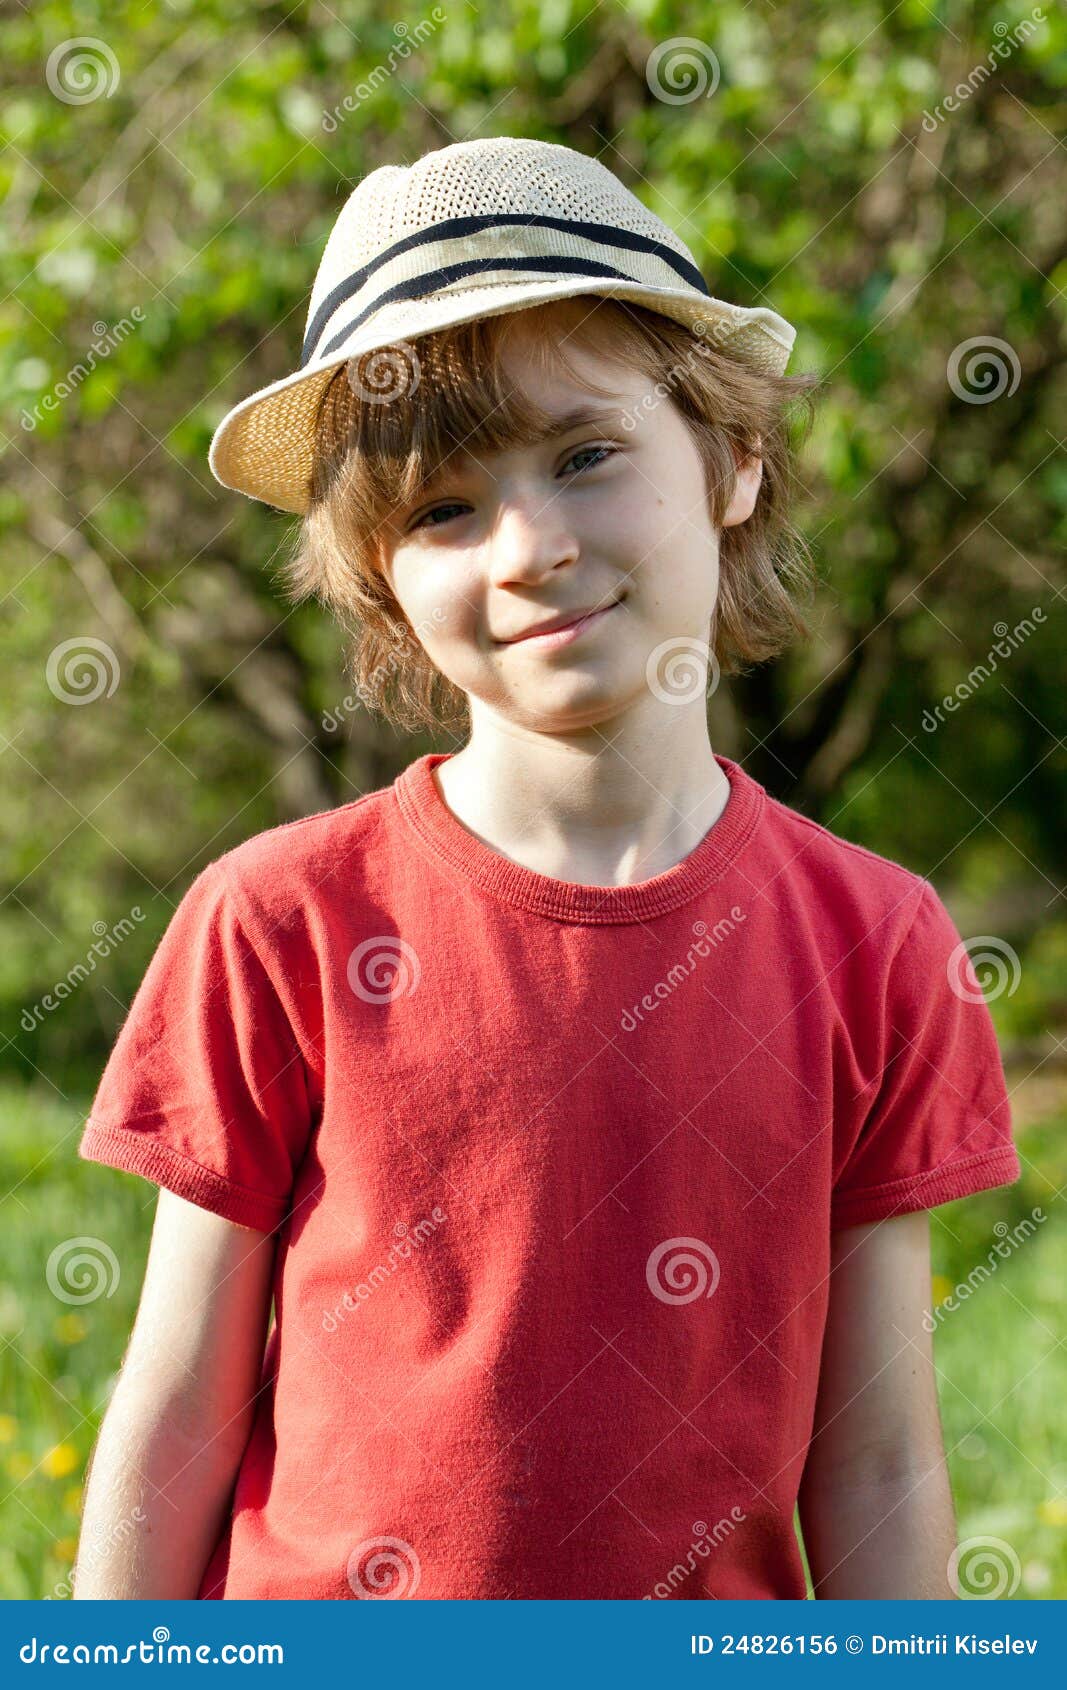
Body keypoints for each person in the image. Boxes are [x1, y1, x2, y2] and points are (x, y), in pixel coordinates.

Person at [73, 137, 1020, 1602]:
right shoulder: (275, 921)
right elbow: (178, 1411)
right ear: (380, 572)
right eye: (443, 508)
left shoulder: (877, 941)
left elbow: (878, 1456)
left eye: (586, 455)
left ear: (734, 458)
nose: (528, 547)